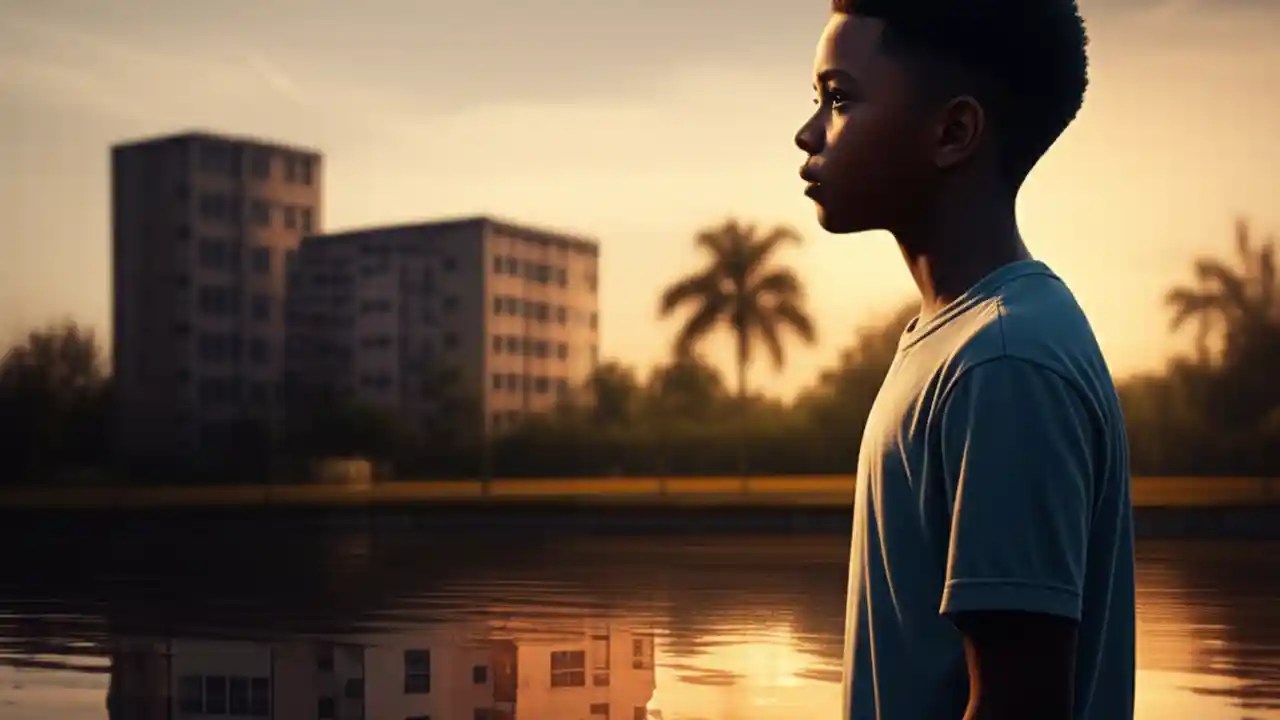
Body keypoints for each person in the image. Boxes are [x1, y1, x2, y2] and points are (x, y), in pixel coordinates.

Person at [793, 1, 1135, 719]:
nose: (808, 132)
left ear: (952, 132)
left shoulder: (1005, 366)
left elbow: (1017, 705)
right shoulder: (954, 340)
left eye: (840, 99)